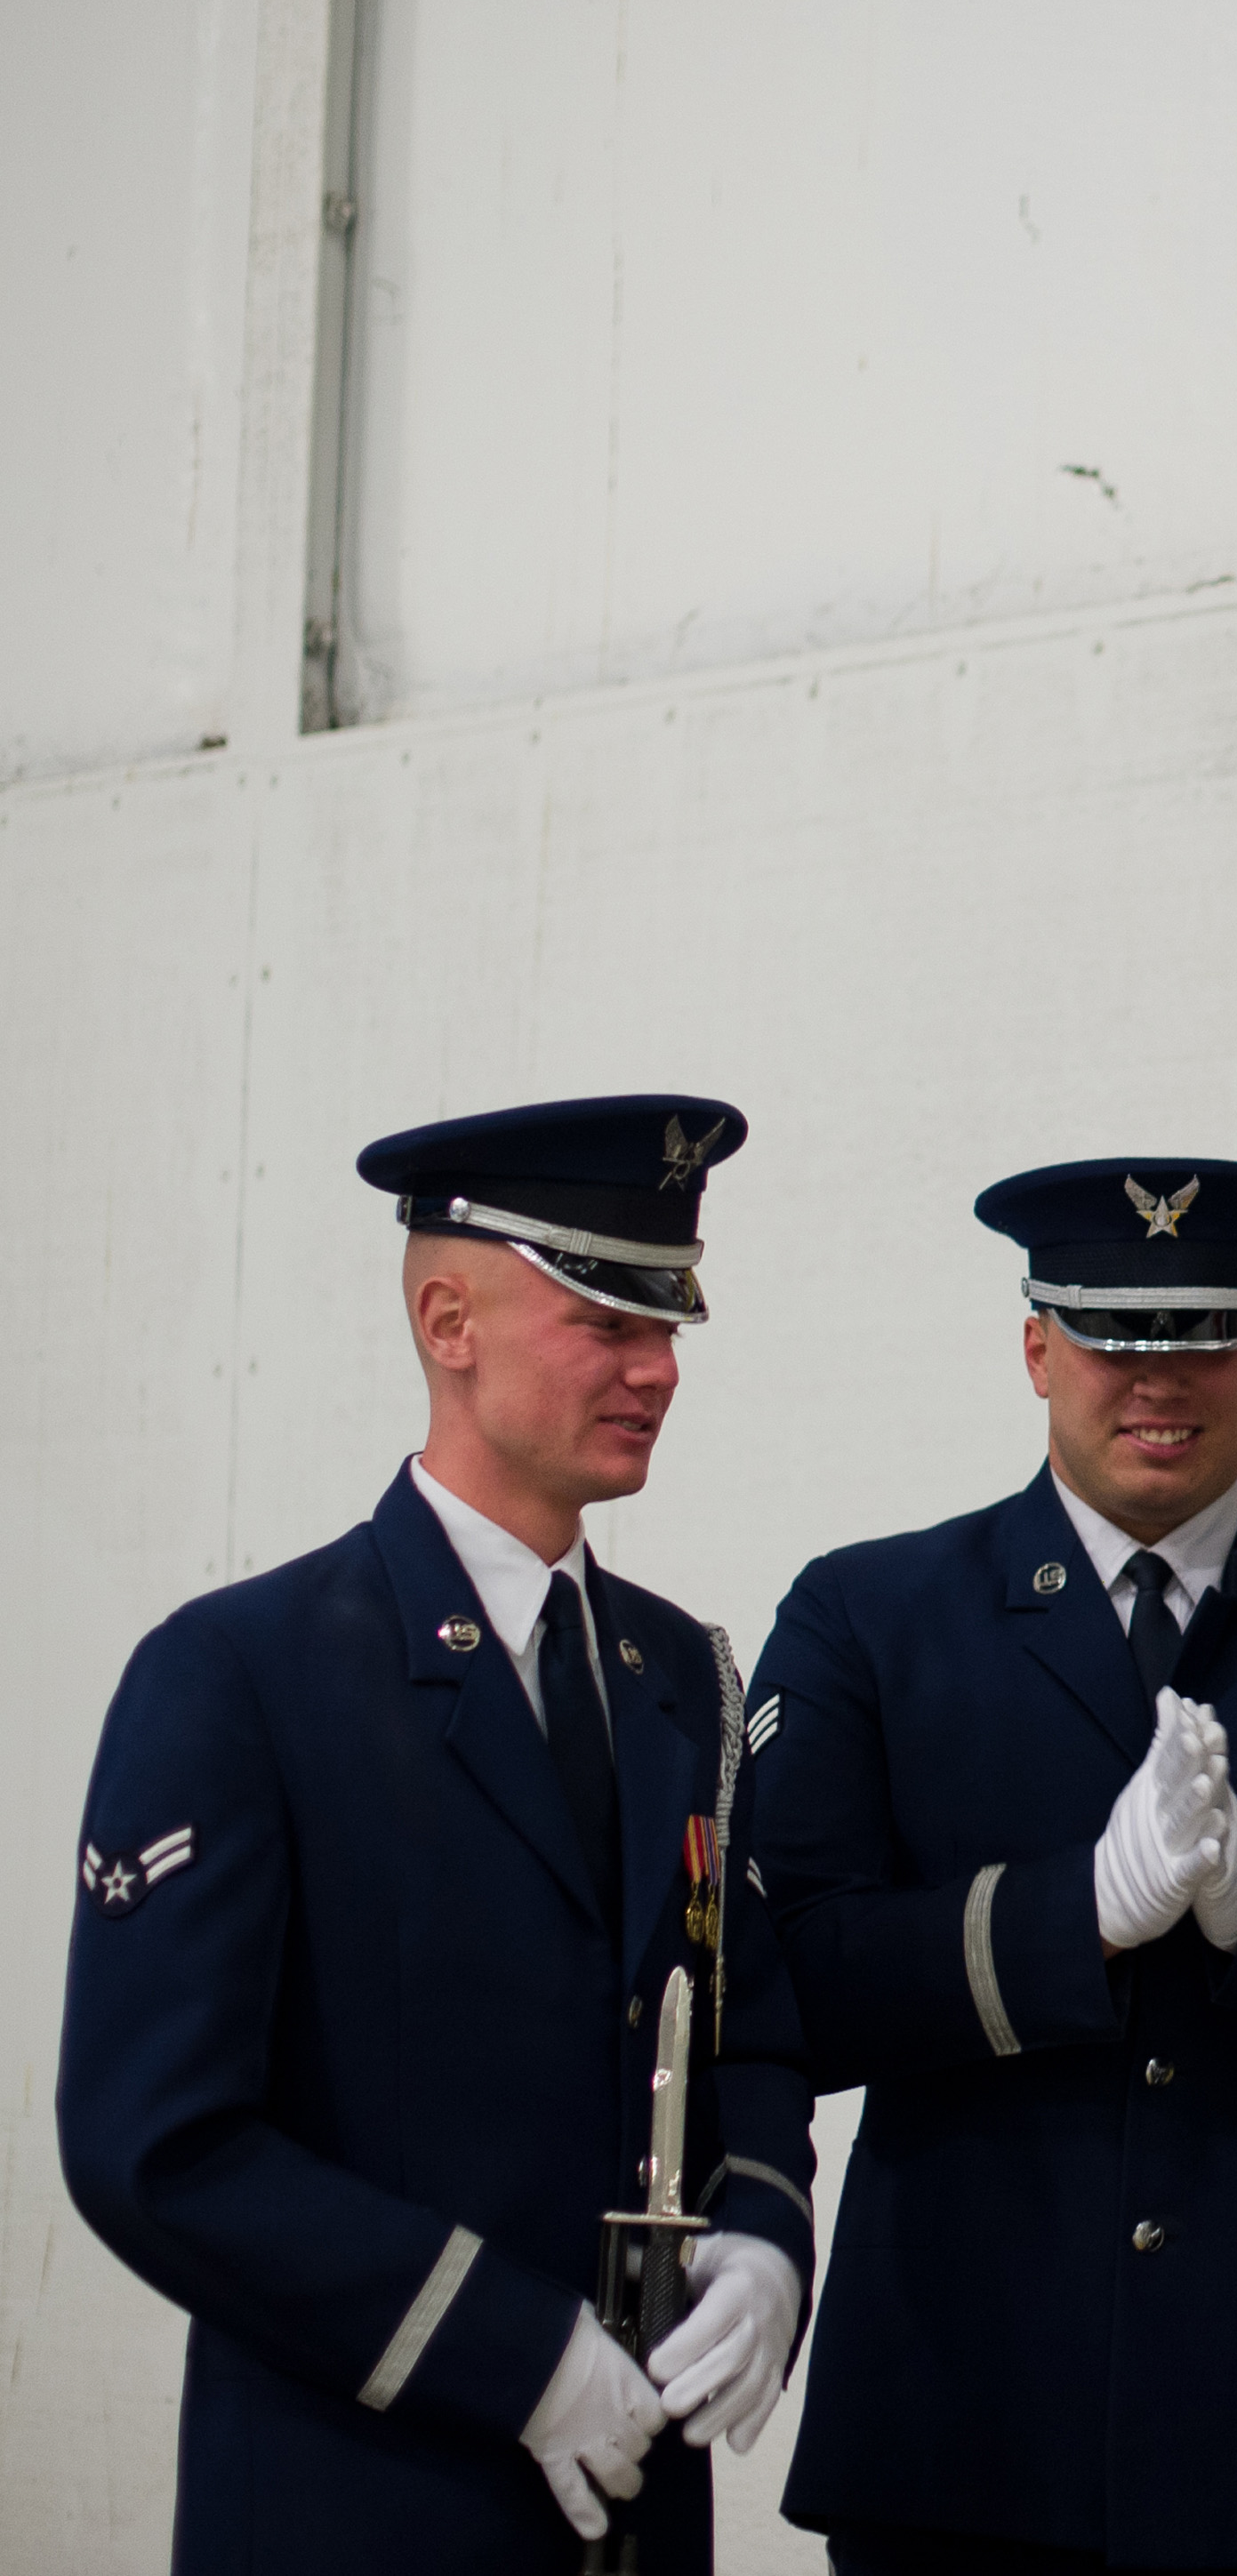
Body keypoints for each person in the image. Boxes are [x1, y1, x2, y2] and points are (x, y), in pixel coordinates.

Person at [744, 1156, 1237, 2573]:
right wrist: (1078, 1918)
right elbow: (794, 1982)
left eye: (1208, 1336)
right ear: (1038, 1346)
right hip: (963, 2424)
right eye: (1112, 1339)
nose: (1158, 1382)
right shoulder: (871, 1619)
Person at [59, 1095, 816, 2573]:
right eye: (604, 1318)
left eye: (669, 1322)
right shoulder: (243, 1678)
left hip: (636, 2512)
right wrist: (510, 2350)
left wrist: (771, 2229)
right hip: (364, 2496)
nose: (657, 1367)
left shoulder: (684, 1679)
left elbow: (748, 2028)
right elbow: (157, 2142)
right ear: (447, 1317)